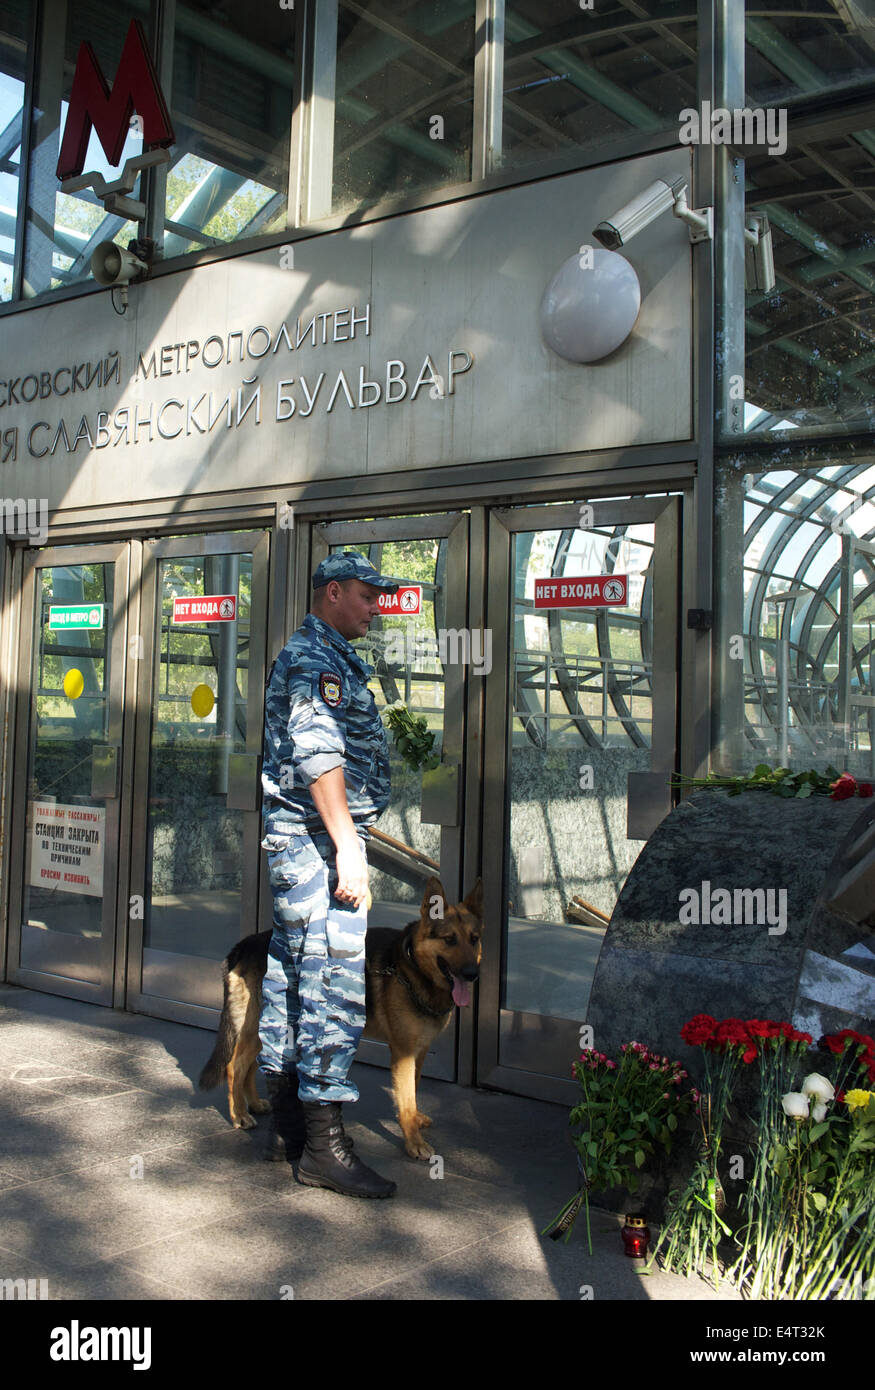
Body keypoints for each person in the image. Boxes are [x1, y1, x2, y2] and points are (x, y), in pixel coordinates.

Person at [257, 549, 400, 1199]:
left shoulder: (324, 655)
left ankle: (287, 1124)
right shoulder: (315, 660)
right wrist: (347, 846)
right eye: (368, 595)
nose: (377, 606)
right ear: (332, 592)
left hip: (305, 845)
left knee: (293, 976)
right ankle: (324, 1147)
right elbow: (318, 755)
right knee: (332, 986)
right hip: (317, 846)